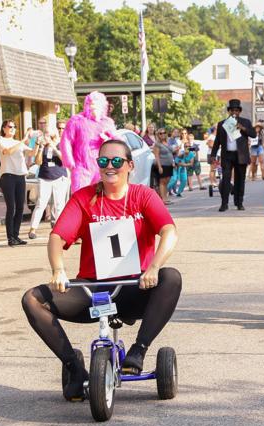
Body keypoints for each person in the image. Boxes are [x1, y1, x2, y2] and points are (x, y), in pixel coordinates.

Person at [21, 139, 180, 399]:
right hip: (93, 289)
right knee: (32, 299)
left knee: (171, 277)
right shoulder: (85, 198)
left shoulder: (143, 196)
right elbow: (57, 237)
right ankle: (74, 366)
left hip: (135, 287)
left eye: (117, 161)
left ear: (129, 165)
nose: (110, 166)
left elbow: (169, 231)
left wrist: (154, 267)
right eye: (103, 161)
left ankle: (139, 349)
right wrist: (58, 269)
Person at [60, 91, 119, 193]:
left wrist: (108, 140)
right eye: (90, 103)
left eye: (96, 103)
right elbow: (66, 140)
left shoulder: (107, 123)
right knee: (80, 197)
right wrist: (69, 162)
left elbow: (118, 143)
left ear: (102, 105)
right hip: (82, 166)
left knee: (101, 198)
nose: (93, 106)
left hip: (103, 167)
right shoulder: (77, 121)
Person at [209, 99, 257, 211]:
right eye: (232, 110)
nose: (234, 112)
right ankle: (224, 203)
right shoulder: (222, 124)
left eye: (236, 110)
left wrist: (242, 128)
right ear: (229, 111)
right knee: (225, 179)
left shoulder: (245, 122)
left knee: (240, 179)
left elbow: (253, 134)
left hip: (241, 155)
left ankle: (239, 202)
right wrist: (213, 154)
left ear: (239, 111)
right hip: (227, 156)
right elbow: (217, 141)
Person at [0, 120, 37, 246]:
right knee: (12, 208)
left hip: (20, 176)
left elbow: (32, 153)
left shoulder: (17, 143)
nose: (13, 128)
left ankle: (16, 235)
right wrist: (24, 139)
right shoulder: (1, 141)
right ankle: (10, 238)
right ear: (4, 128)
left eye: (15, 127)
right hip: (8, 176)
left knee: (20, 207)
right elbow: (7, 152)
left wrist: (38, 143)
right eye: (10, 127)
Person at [29, 129, 70, 239]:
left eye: (49, 134)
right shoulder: (43, 146)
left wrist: (53, 146)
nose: (47, 137)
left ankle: (59, 229)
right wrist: (41, 147)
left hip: (59, 177)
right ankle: (33, 228)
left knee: (59, 204)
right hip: (44, 177)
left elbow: (65, 160)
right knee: (41, 202)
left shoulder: (62, 144)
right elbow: (37, 162)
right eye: (46, 134)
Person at [152, 128, 175, 205]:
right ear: (158, 135)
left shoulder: (167, 143)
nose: (162, 134)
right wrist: (159, 167)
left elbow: (171, 153)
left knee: (167, 181)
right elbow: (157, 156)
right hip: (162, 165)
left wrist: (173, 162)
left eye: (164, 133)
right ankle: (163, 199)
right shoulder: (157, 144)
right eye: (160, 133)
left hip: (169, 165)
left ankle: (166, 198)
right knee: (162, 182)